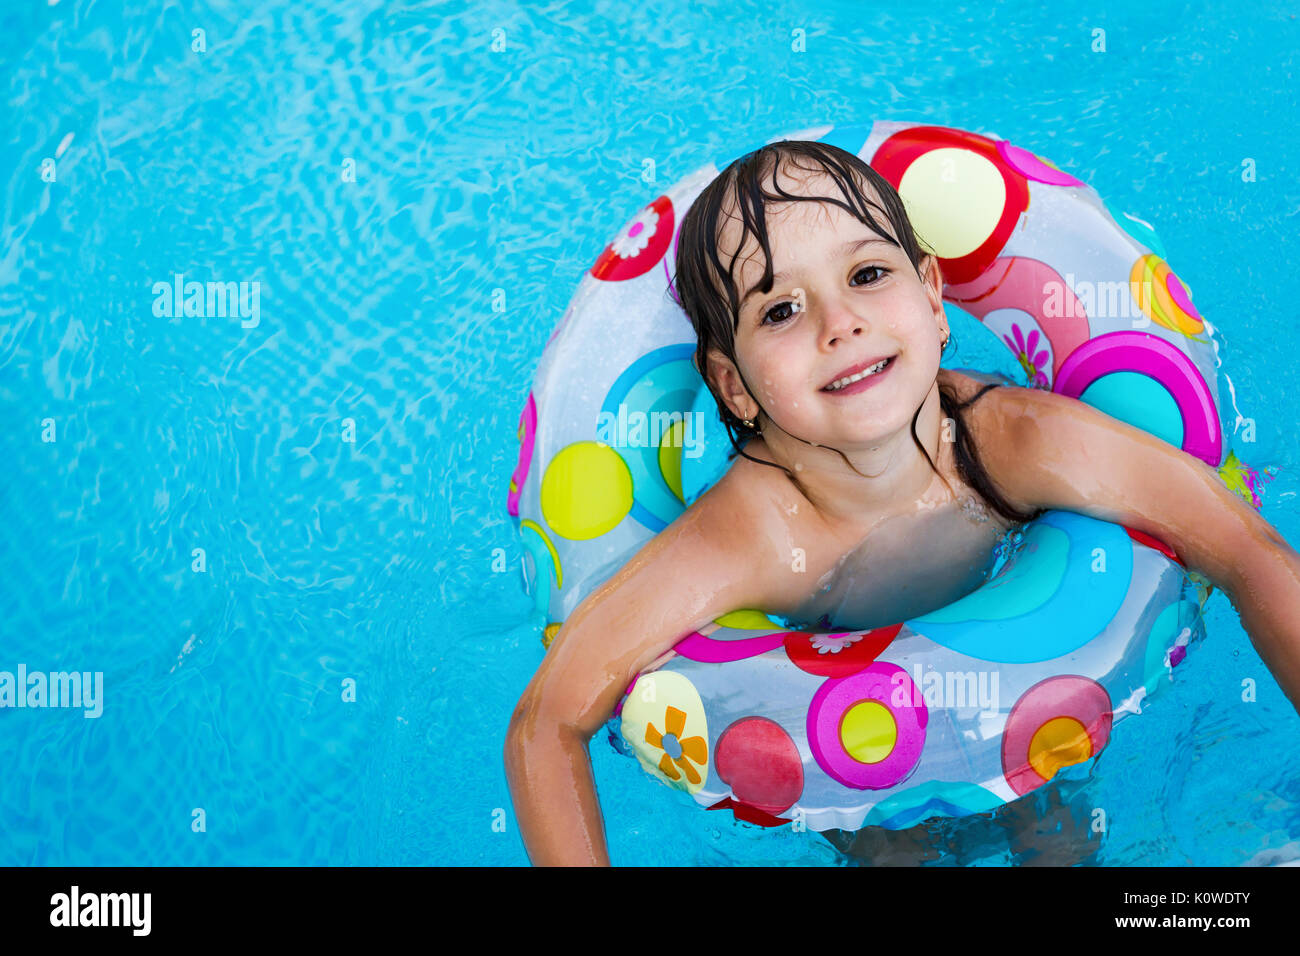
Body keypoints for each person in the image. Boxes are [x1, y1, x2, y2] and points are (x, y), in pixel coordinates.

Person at [504, 140, 1300, 867]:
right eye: (781, 310)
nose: (839, 323)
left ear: (932, 297)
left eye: (867, 275)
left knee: (1054, 836)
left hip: (1029, 717)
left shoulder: (1011, 444)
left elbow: (1244, 550)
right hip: (858, 776)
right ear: (733, 386)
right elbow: (546, 725)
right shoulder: (749, 533)